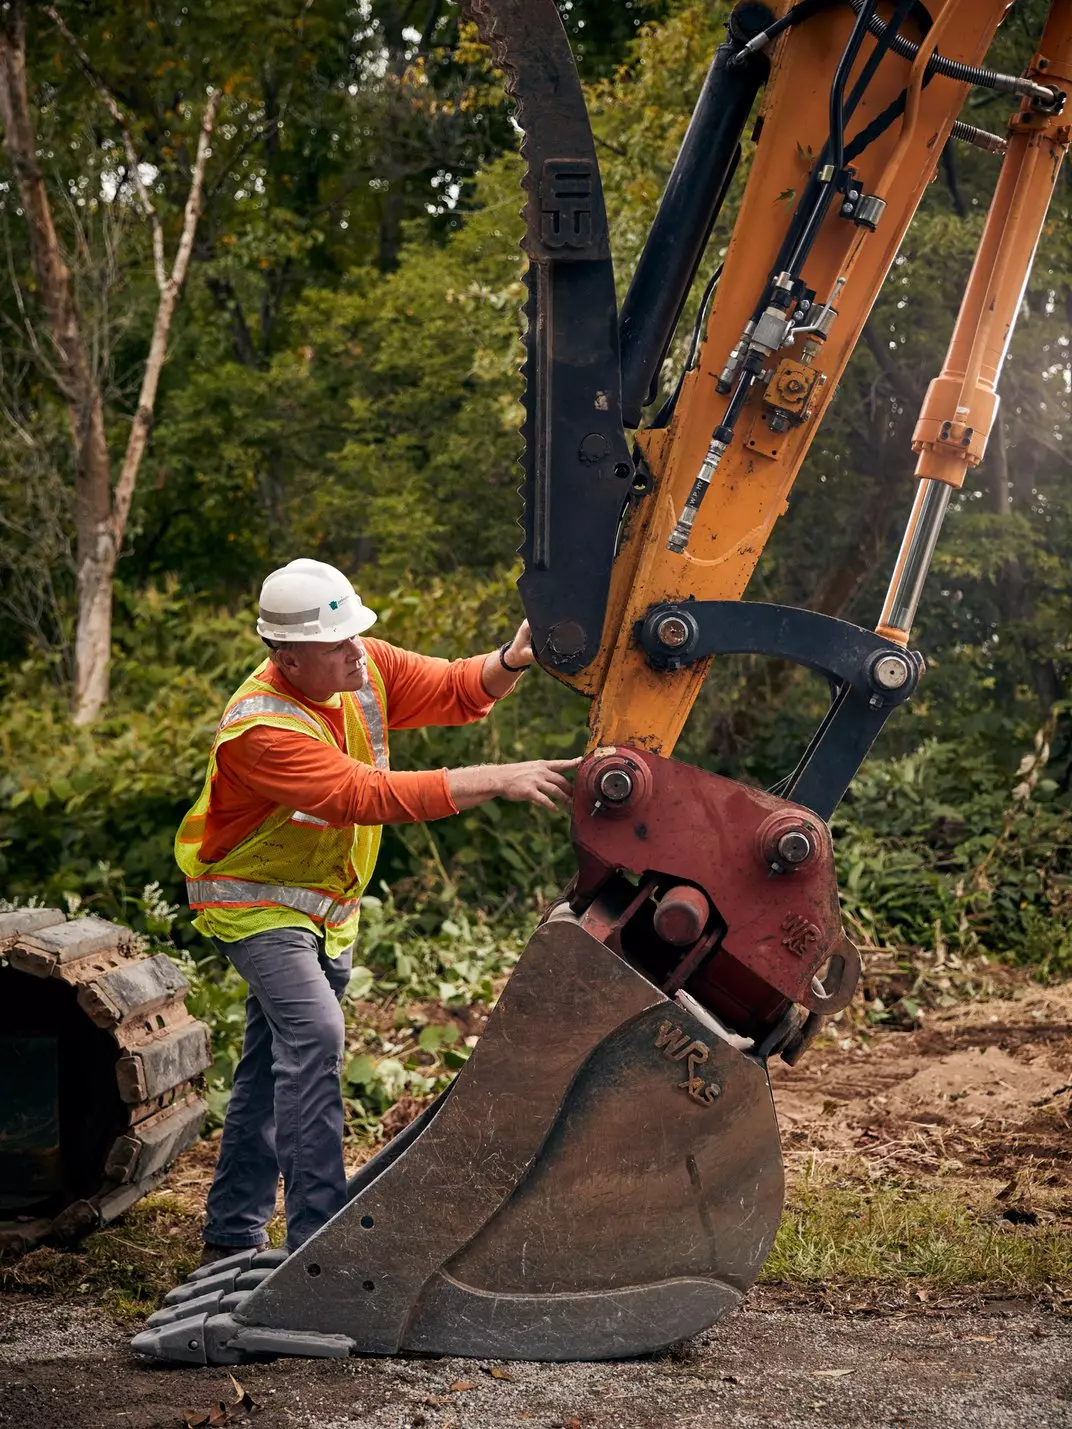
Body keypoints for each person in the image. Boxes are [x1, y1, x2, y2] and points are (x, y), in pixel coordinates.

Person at [175, 558, 578, 1266]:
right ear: (287, 656)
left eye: (358, 634)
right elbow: (370, 795)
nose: (358, 651)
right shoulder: (262, 730)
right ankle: (319, 1248)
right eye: (338, 645)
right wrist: (501, 777)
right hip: (252, 904)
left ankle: (231, 1233)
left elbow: (459, 687)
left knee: (275, 1058)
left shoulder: (363, 667)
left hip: (325, 910)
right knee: (315, 1034)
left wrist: (516, 656)